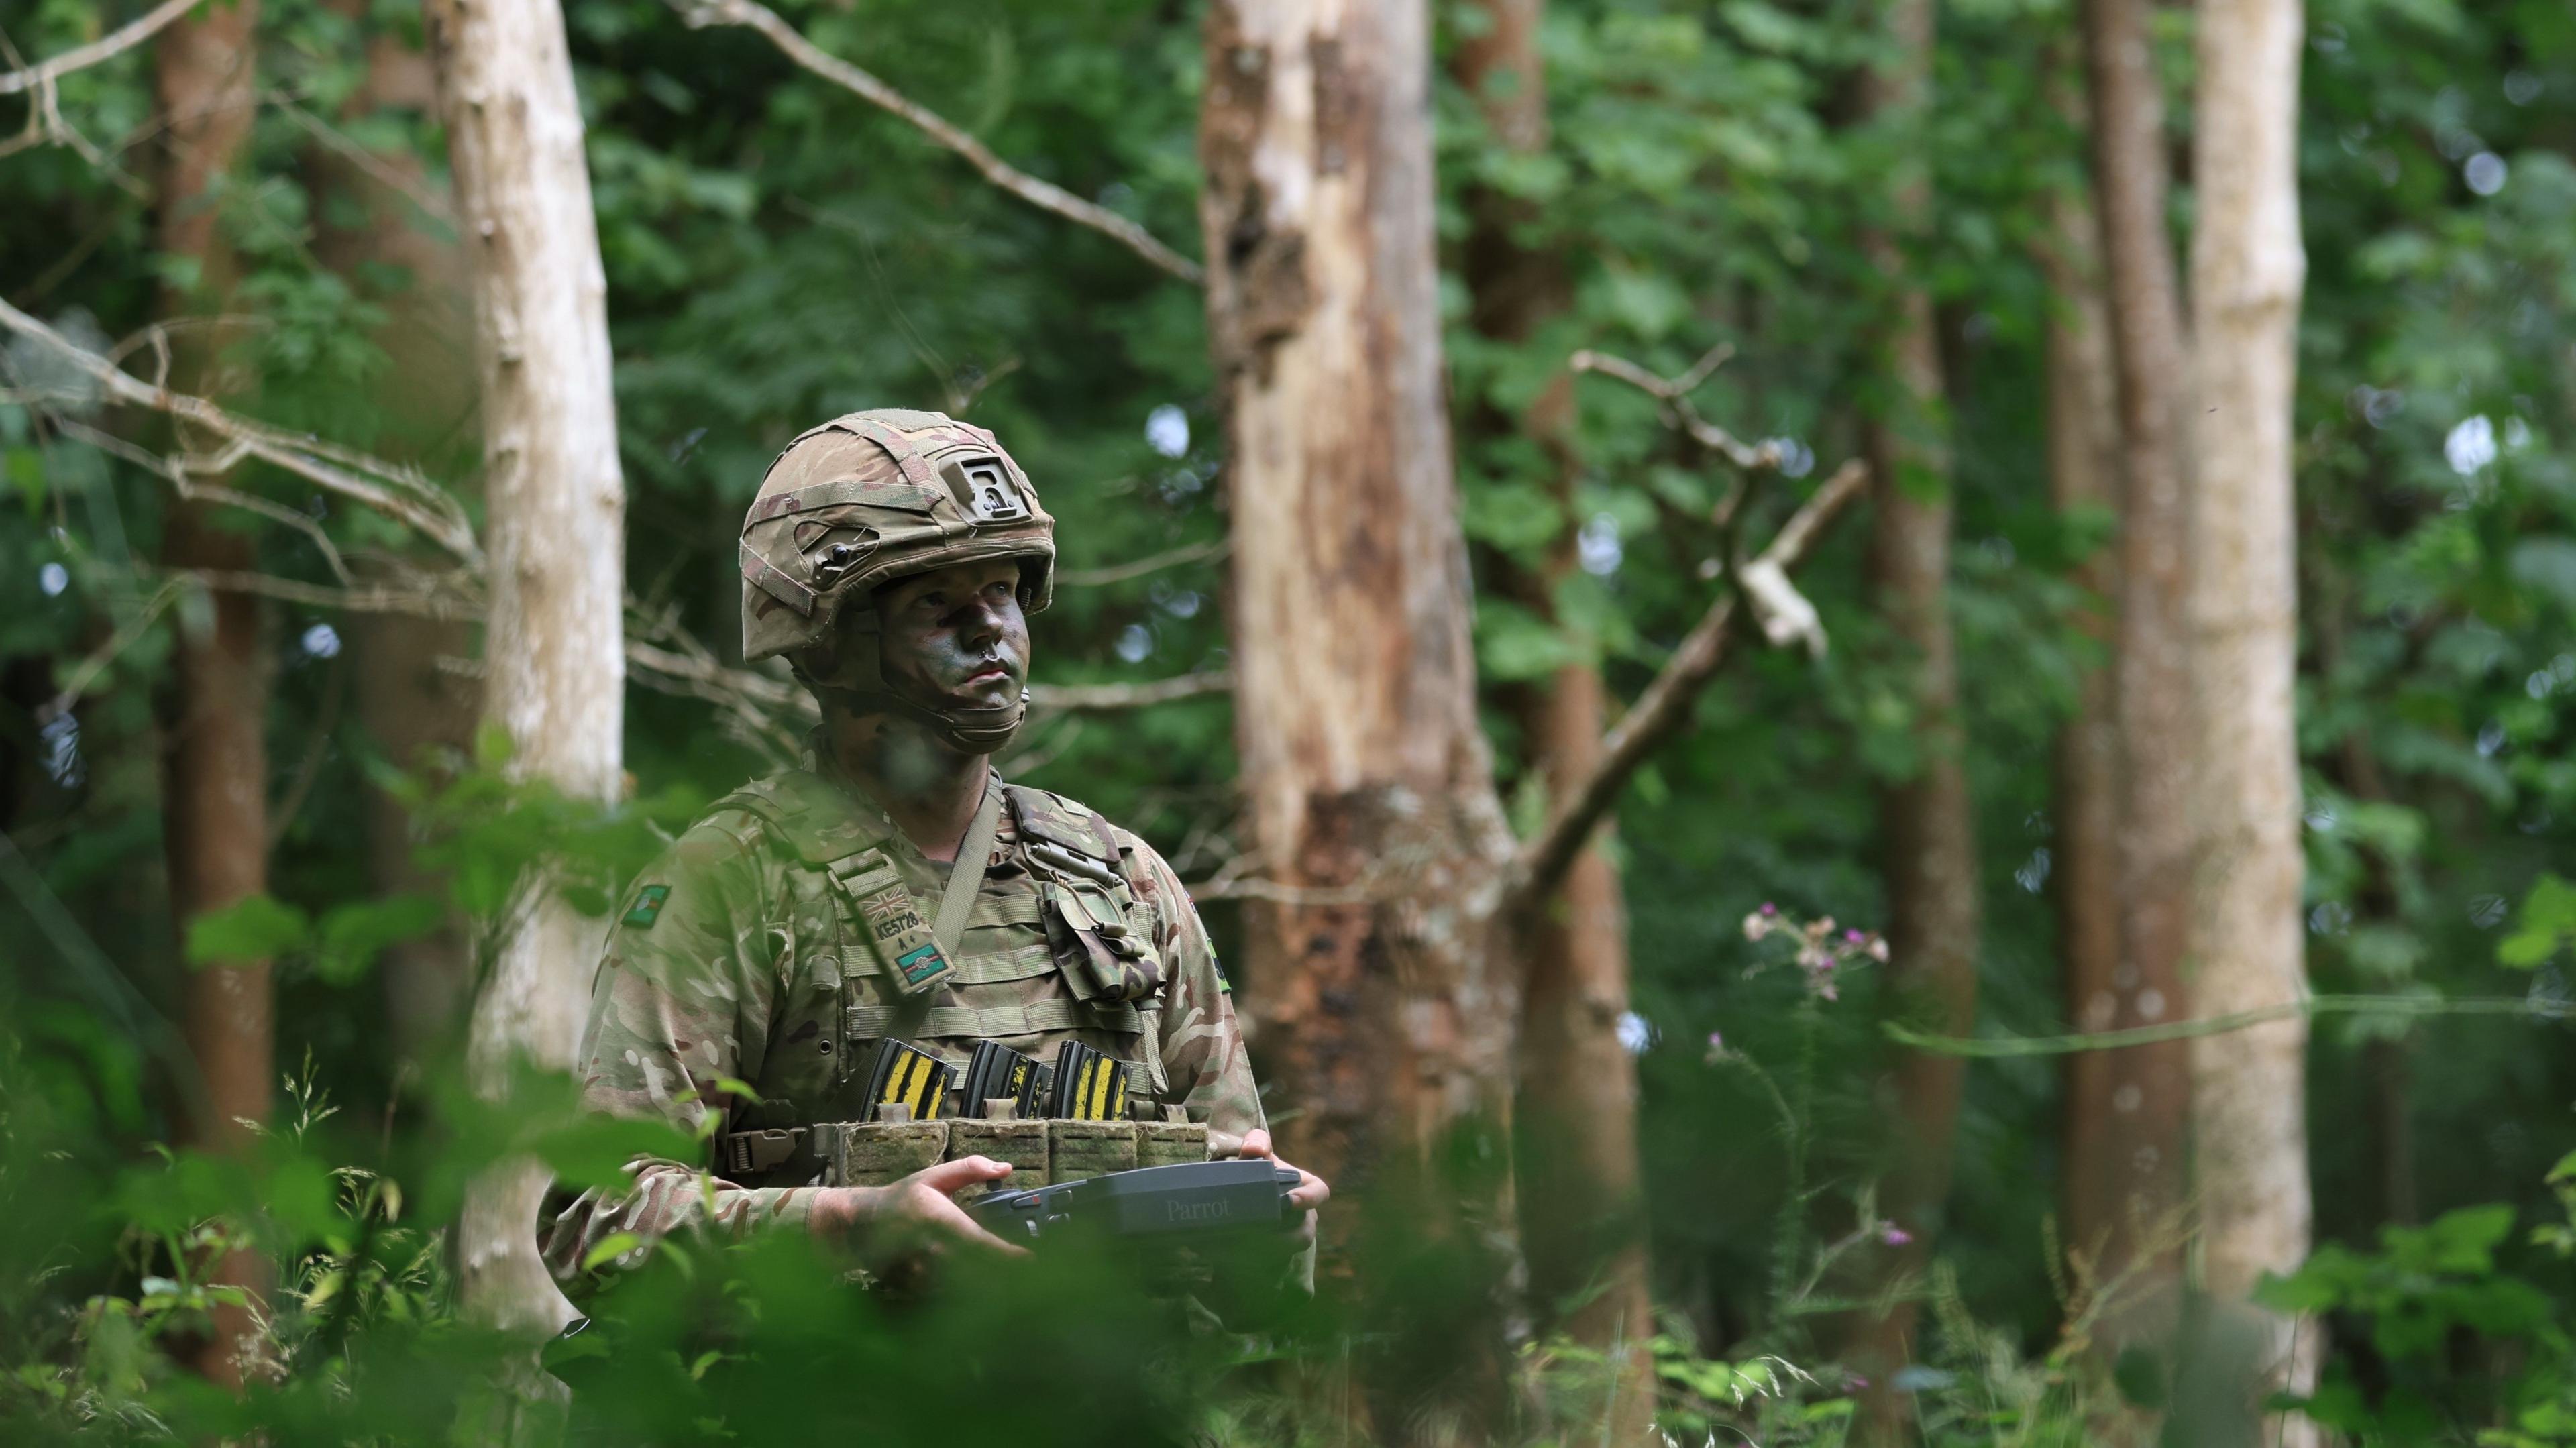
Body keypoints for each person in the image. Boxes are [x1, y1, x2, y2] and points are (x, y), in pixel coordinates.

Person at [541, 408, 1326, 1277]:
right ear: (833, 642)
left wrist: (1266, 1227)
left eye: (1001, 592)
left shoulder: (1125, 886)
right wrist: (849, 1220)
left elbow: (1241, 1218)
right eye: (936, 604)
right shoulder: (726, 889)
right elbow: (593, 1220)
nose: (991, 629)